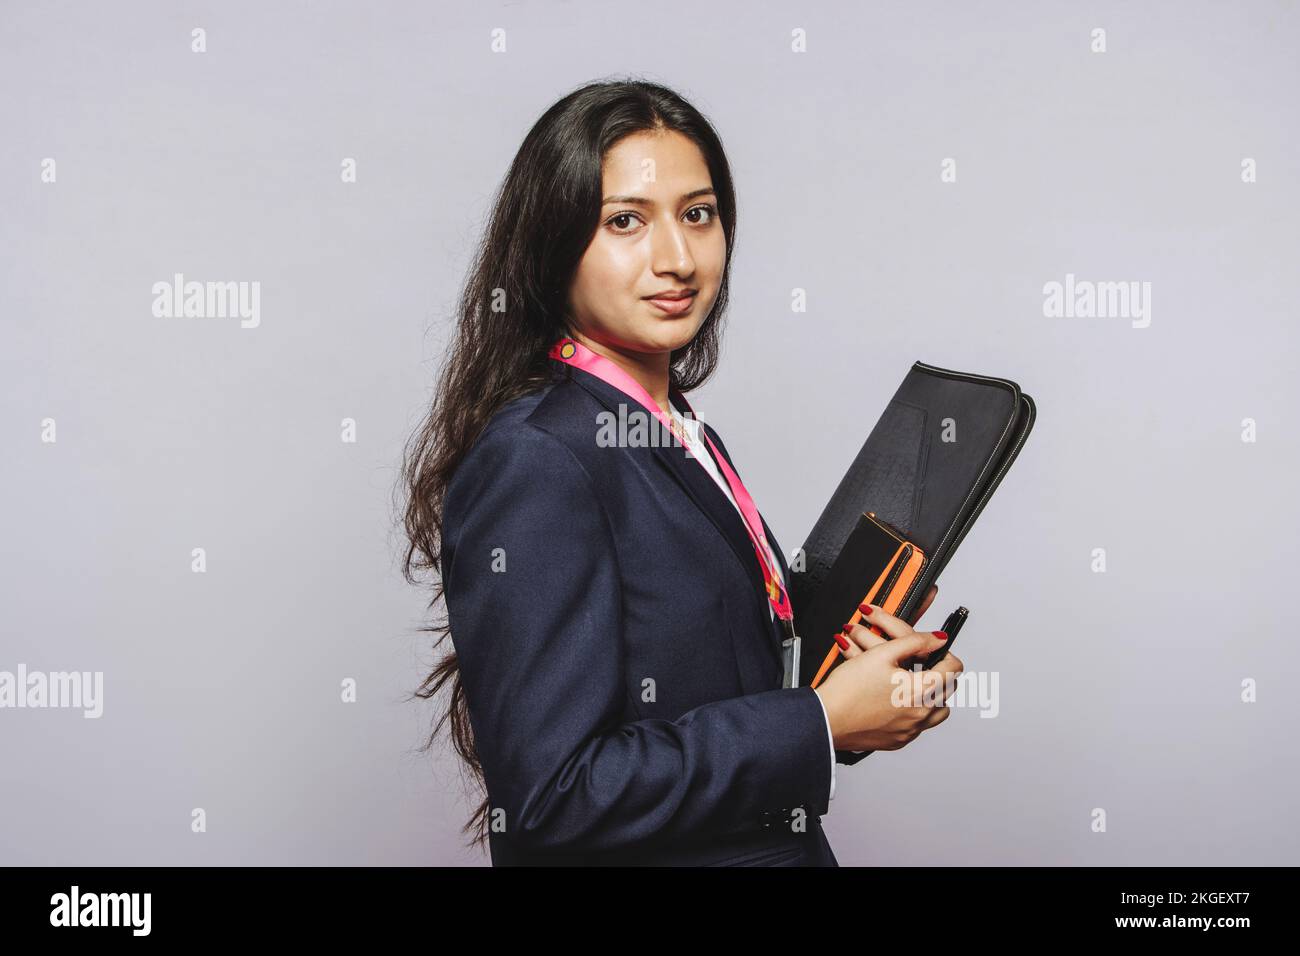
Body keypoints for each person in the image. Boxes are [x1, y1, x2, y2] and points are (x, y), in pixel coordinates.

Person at [399, 78, 962, 866]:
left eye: (697, 215)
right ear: (553, 243)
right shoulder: (538, 459)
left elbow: (710, 688)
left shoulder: (675, 427)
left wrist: (858, 689)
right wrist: (821, 722)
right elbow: (553, 798)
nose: (677, 258)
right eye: (624, 221)